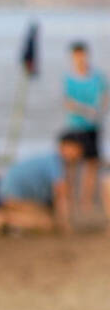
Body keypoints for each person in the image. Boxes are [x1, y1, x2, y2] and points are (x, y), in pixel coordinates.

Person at [0, 132, 82, 235]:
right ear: (64, 146)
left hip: (6, 191)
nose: (79, 153)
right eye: (77, 148)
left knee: (47, 216)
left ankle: (9, 220)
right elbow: (62, 196)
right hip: (11, 196)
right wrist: (65, 225)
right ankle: (2, 218)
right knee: (46, 223)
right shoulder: (56, 164)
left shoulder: (52, 160)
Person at [63, 41, 108, 215]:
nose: (80, 59)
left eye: (82, 55)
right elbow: (68, 102)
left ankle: (87, 201)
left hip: (93, 126)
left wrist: (99, 110)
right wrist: (84, 110)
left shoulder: (97, 76)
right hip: (76, 126)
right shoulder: (69, 77)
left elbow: (105, 96)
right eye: (77, 55)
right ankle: (70, 199)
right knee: (72, 163)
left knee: (92, 164)